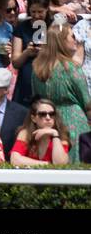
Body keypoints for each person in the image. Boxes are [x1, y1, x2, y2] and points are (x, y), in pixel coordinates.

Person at [31, 22, 90, 162]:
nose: (75, 39)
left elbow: (36, 99)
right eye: (72, 36)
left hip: (47, 121)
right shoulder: (71, 67)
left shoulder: (37, 68)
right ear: (62, 40)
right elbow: (87, 102)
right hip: (74, 123)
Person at [9, 96, 72, 166]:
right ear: (33, 118)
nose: (48, 118)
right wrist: (46, 164)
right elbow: (15, 160)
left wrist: (55, 134)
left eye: (51, 114)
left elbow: (60, 164)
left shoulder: (61, 134)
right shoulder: (26, 133)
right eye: (42, 114)